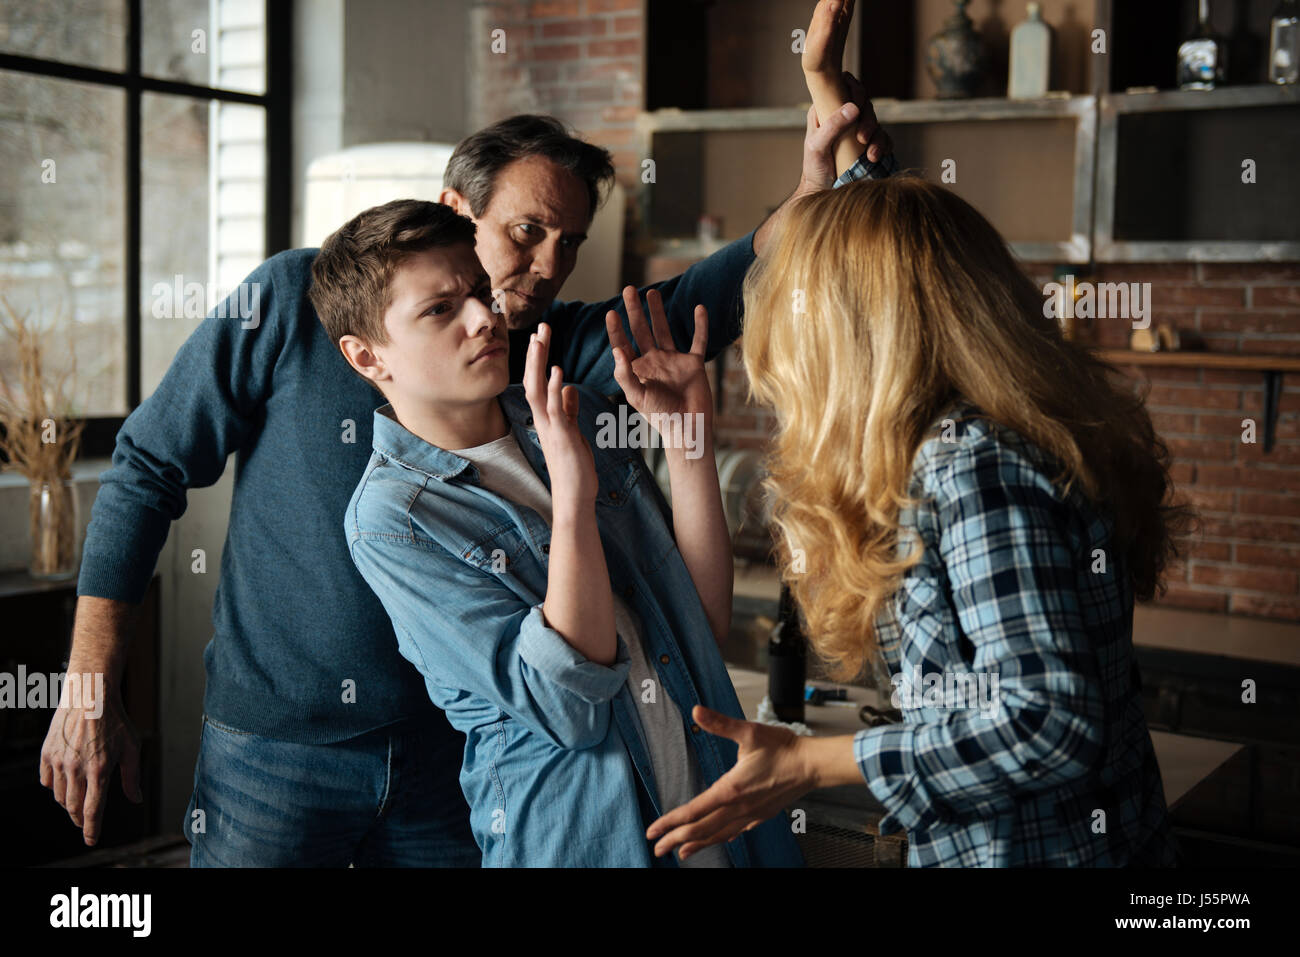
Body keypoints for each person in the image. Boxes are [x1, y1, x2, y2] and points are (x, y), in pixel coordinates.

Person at [40, 21, 894, 859]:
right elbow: (147, 466)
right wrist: (87, 685)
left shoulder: (539, 351)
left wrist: (823, 180)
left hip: (453, 761)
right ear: (455, 210)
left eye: (569, 244)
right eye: (526, 232)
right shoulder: (287, 301)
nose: (547, 267)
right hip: (281, 745)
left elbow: (717, 288)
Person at [643, 170, 1195, 867]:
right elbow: (898, 233)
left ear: (859, 325)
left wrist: (812, 761)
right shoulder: (992, 436)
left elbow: (1048, 719)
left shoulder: (971, 461)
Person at [312, 198, 803, 867]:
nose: (485, 317)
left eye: (480, 292)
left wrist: (687, 438)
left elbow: (700, 630)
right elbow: (569, 705)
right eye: (440, 309)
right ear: (367, 355)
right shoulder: (393, 521)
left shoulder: (571, 413)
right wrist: (570, 499)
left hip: (713, 815)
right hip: (584, 843)